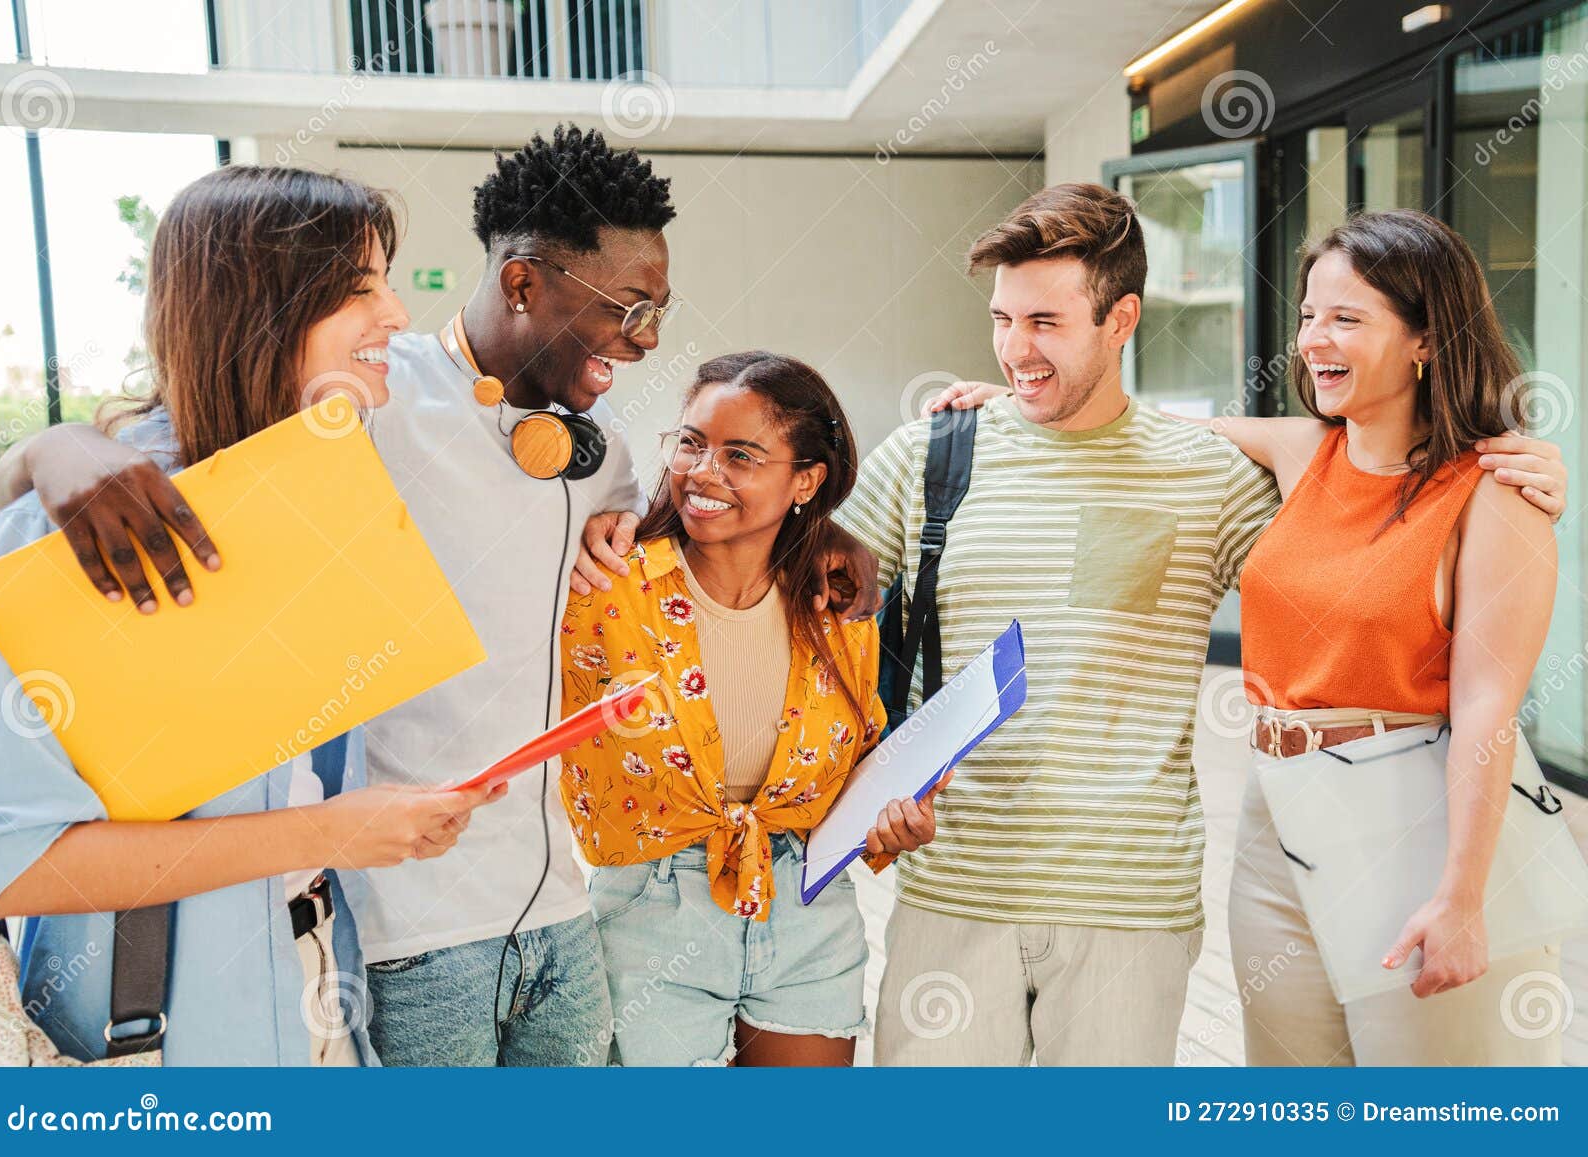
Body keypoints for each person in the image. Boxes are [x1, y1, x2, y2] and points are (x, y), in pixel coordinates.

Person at [574, 183, 1569, 1066]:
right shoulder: (934, 454)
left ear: (1121, 318)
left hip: (1131, 908)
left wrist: (1500, 468)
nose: (1015, 348)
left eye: (1046, 320)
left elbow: (1357, 545)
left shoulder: (1218, 480)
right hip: (952, 886)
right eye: (1004, 319)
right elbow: (787, 583)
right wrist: (624, 523)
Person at [0, 125, 878, 1067]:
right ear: (523, 283)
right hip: (384, 922)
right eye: (362, 287)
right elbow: (183, 445)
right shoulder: (356, 416)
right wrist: (49, 449)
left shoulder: (604, 448)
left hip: (503, 911)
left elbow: (702, 518)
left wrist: (824, 532)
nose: (393, 314)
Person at [0, 165, 502, 1066]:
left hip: (320, 1000)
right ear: (257, 312)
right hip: (158, 1039)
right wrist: (338, 832)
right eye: (359, 288)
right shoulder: (60, 536)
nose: (396, 316)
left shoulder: (323, 492)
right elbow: (17, 865)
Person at [1204, 211, 1562, 1064]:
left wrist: (1464, 896)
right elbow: (1140, 435)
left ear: (1425, 341)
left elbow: (1485, 705)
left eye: (1347, 319)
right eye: (1306, 316)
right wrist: (1016, 398)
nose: (1312, 341)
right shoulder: (1305, 453)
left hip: (1416, 820)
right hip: (1275, 817)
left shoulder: (1496, 492)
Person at [558, 352, 947, 1066]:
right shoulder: (608, 585)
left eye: (740, 454)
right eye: (691, 443)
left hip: (806, 908)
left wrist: (896, 816)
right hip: (652, 906)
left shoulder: (838, 605)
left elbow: (862, 754)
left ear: (806, 480)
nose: (703, 471)